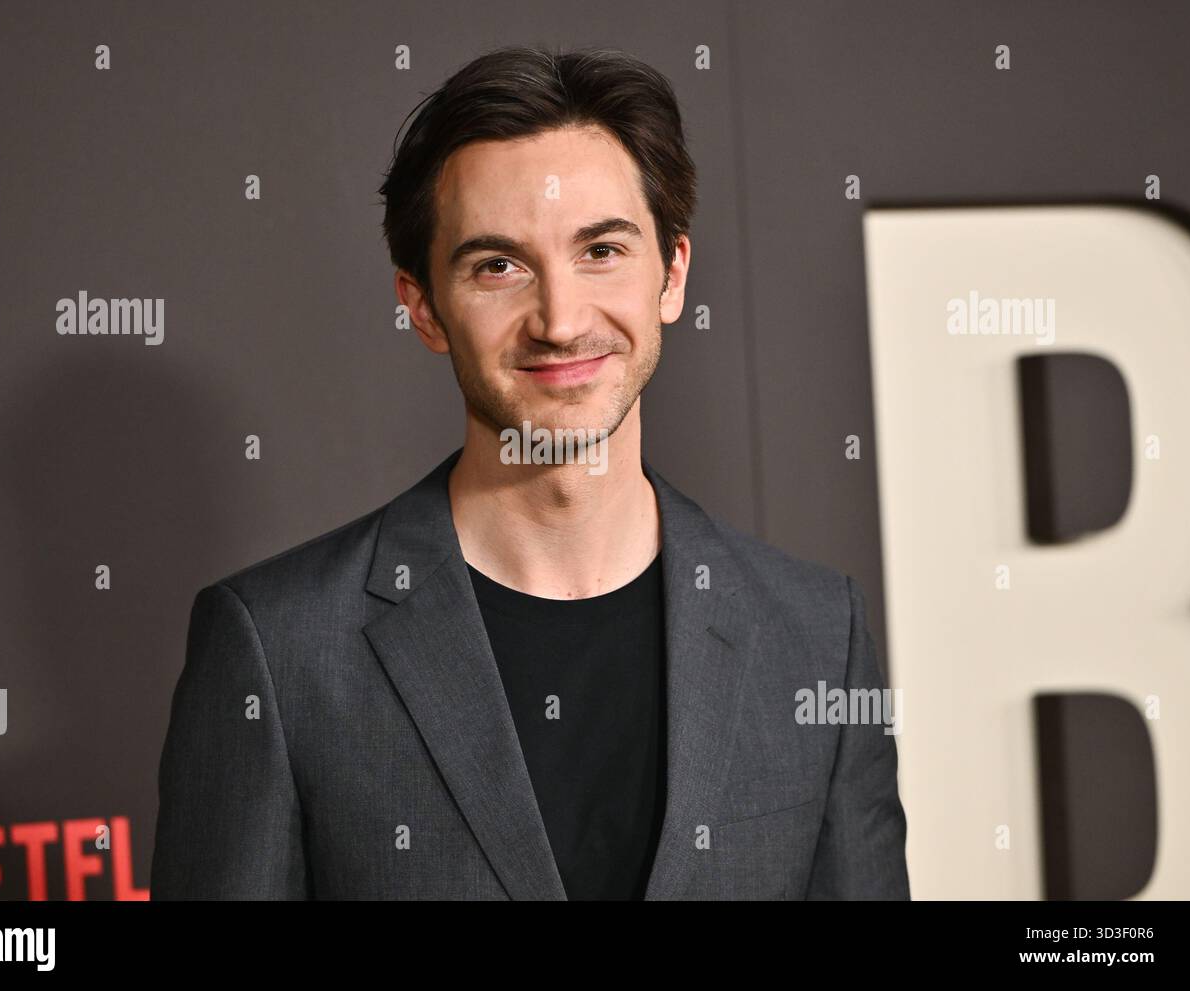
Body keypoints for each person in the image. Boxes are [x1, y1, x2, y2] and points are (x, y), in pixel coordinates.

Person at [151, 44, 910, 900]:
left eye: (602, 251)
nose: (559, 319)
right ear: (422, 307)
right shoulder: (280, 652)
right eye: (498, 266)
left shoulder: (815, 639)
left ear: (674, 274)